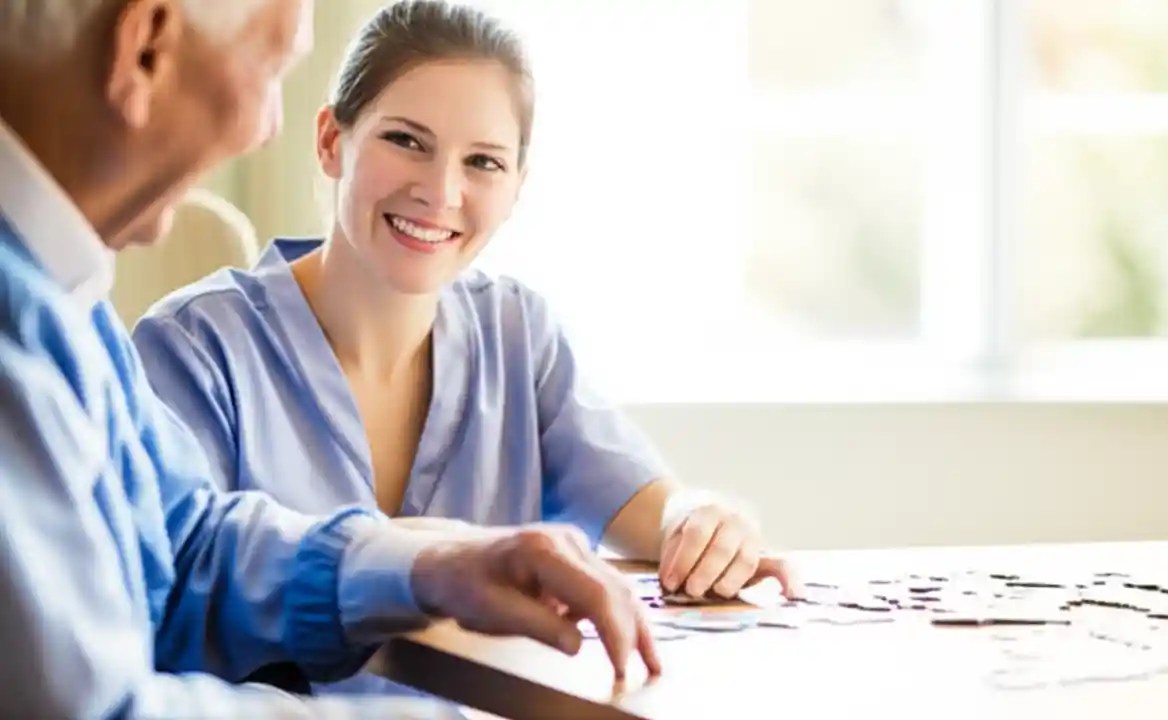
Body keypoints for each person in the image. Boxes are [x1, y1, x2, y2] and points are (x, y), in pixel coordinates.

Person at [0, 0, 661, 717]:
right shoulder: (34, 333)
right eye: (273, 66)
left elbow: (180, 546)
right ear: (146, 47)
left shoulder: (63, 298)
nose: (267, 127)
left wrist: (426, 566)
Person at [133, 0, 798, 657]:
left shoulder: (518, 333)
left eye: (482, 162)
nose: (441, 191)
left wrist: (703, 520)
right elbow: (172, 594)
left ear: (517, 187)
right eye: (406, 141)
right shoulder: (193, 348)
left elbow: (650, 505)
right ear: (333, 141)